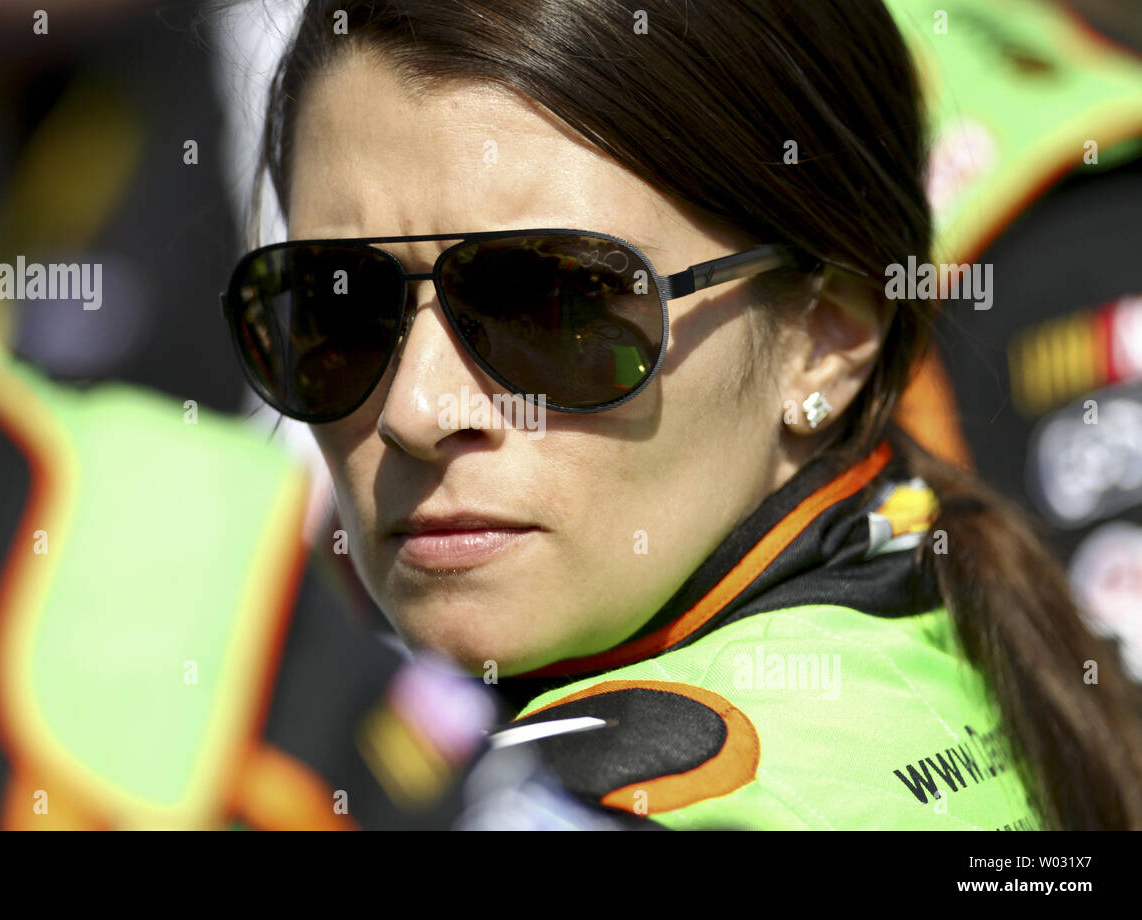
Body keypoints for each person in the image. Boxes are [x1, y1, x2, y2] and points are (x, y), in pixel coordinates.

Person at [219, 0, 1142, 829]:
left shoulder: (613, 799)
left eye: (555, 306)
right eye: (336, 307)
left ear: (824, 336)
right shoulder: (959, 637)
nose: (416, 411)